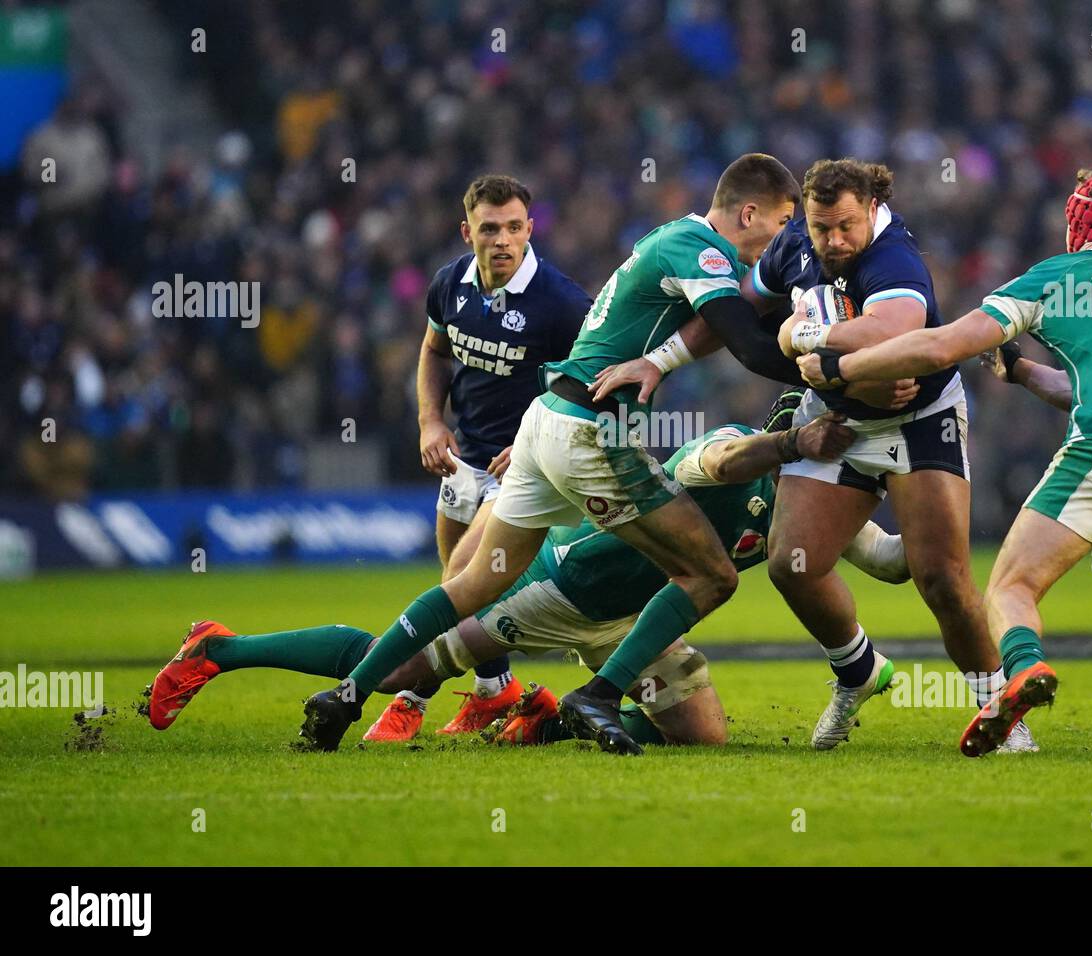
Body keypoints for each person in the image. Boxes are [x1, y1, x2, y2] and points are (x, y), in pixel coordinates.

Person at [296, 153, 814, 755]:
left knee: (469, 587)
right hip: (592, 436)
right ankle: (597, 694)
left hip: (544, 424)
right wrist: (833, 368)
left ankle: (348, 695)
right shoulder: (704, 253)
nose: (777, 244)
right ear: (748, 212)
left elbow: (722, 323)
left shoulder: (671, 239)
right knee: (712, 574)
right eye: (780, 224)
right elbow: (748, 346)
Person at [147, 408, 912, 749]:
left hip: (631, 624)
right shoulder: (740, 449)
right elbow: (704, 463)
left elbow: (885, 559)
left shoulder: (813, 514)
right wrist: (781, 446)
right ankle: (220, 649)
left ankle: (550, 721)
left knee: (704, 736)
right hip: (560, 590)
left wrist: (928, 526)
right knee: (404, 669)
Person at [797, 168, 1092, 758]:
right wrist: (1020, 370)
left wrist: (840, 368)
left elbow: (941, 346)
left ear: (1074, 223)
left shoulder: (1057, 276)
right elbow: (1088, 390)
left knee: (1011, 585)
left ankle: (1023, 670)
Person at [758, 159, 1024, 751]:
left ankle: (1001, 713)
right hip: (835, 422)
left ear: (873, 210)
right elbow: (748, 299)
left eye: (845, 226)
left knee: (945, 584)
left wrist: (798, 337)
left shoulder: (894, 258)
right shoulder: (795, 243)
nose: (833, 241)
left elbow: (891, 334)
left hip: (919, 419)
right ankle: (858, 672)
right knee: (792, 563)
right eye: (821, 226)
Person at [366, 174, 590, 743]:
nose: (502, 240)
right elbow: (433, 349)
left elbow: (594, 381)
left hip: (526, 473)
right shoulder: (448, 286)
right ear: (467, 231)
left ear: (530, 230)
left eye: (514, 227)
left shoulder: (560, 303)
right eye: (489, 228)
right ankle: (498, 692)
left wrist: (535, 442)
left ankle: (410, 700)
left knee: (460, 586)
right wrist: (430, 420)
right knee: (454, 583)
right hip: (465, 463)